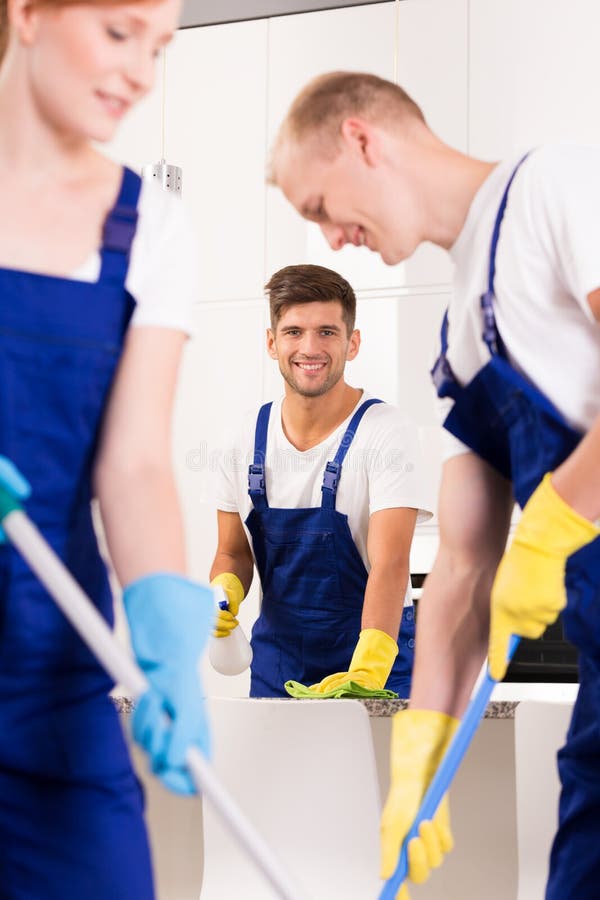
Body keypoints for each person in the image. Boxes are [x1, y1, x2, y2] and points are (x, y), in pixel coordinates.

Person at [269, 71, 600, 900]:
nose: (331, 239)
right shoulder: (462, 330)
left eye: (319, 206)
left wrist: (558, 517)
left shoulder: (554, 184)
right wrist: (421, 758)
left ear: (360, 139)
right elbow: (459, 566)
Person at [0, 0, 214, 896]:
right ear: (27, 14)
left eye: (158, 47)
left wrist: (169, 641)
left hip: (53, 686)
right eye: (119, 32)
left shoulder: (150, 225)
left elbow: (132, 462)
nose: (140, 72)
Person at [209, 263, 432, 699]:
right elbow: (231, 552)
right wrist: (224, 594)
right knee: (277, 771)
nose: (309, 347)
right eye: (293, 331)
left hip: (376, 656)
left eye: (327, 332)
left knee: (373, 771)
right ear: (272, 343)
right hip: (278, 664)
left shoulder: (387, 432)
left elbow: (390, 565)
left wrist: (368, 672)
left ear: (353, 343)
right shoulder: (240, 438)